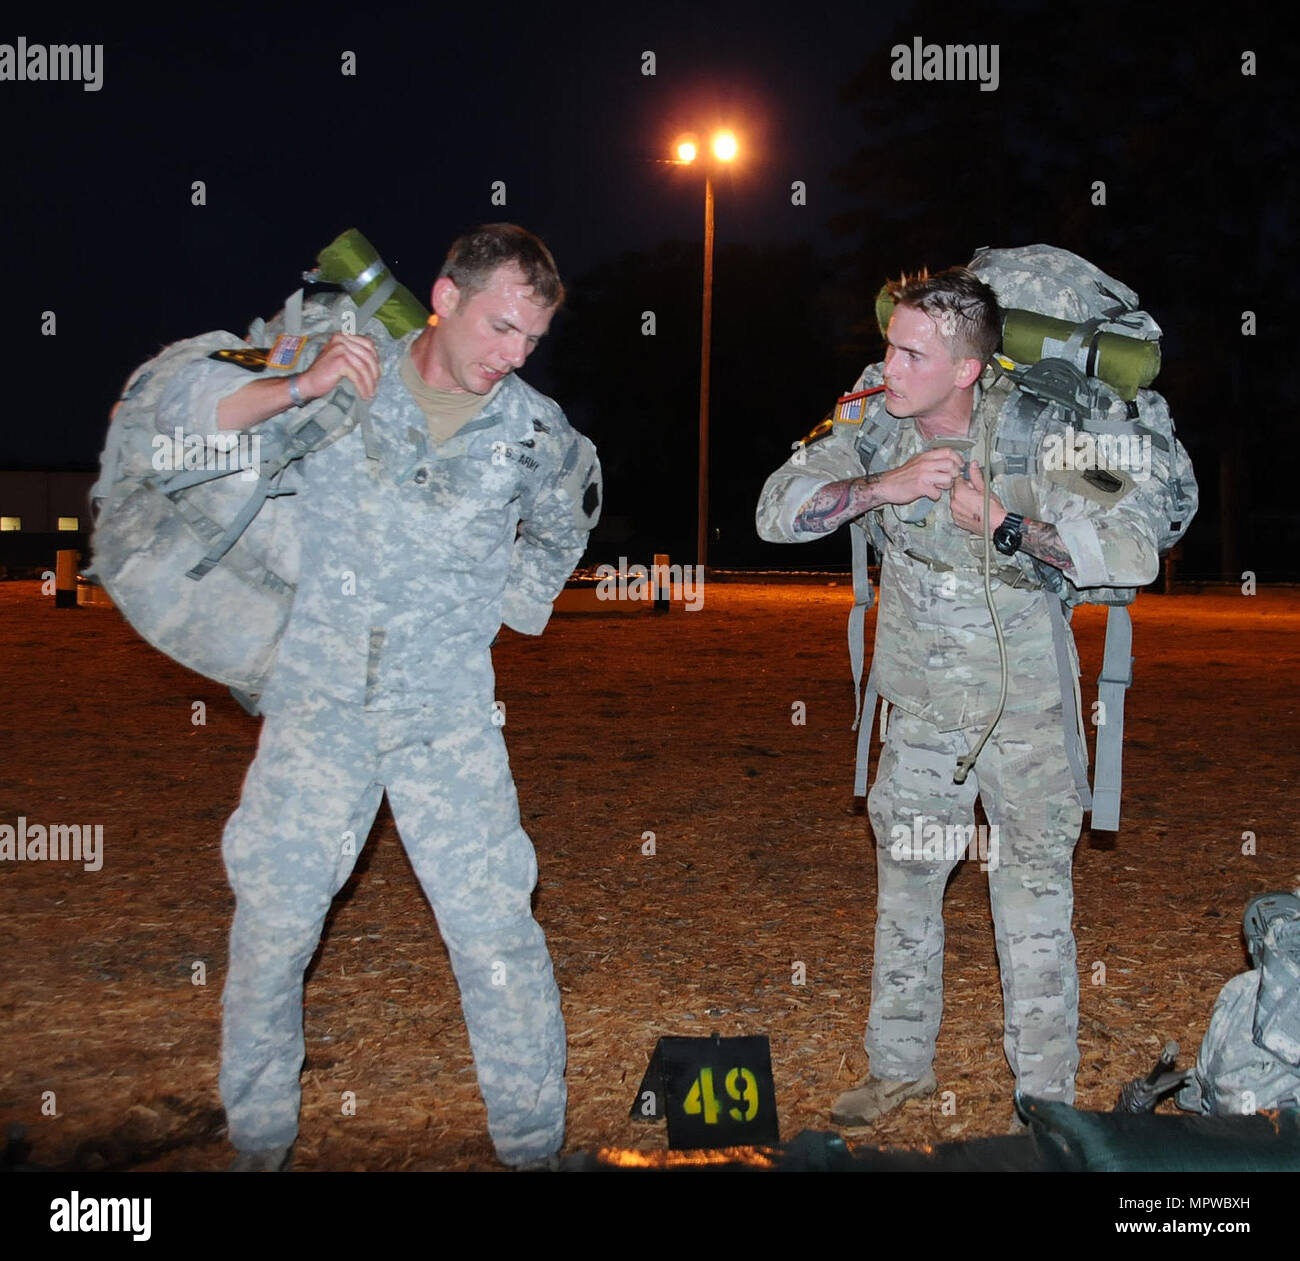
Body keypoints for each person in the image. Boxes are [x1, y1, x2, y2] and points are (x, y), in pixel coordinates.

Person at [177, 223, 601, 1169]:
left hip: (444, 714)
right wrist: (300, 385)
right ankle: (259, 1144)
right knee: (274, 926)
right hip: (318, 707)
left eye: (529, 340)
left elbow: (568, 515)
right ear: (443, 298)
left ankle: (532, 1148)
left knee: (494, 927)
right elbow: (197, 429)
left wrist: (496, 610)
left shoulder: (535, 428)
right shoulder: (344, 369)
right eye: (498, 327)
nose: (510, 356)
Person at [755, 266, 1160, 1127]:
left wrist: (1009, 525)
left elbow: (1133, 550)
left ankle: (1045, 1103)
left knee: (1033, 900)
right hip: (925, 712)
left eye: (911, 354)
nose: (888, 367)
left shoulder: (1042, 433)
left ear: (967, 368)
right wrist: (878, 488)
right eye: (889, 346)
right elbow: (773, 511)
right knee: (907, 884)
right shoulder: (872, 424)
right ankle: (896, 1067)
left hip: (1029, 719)